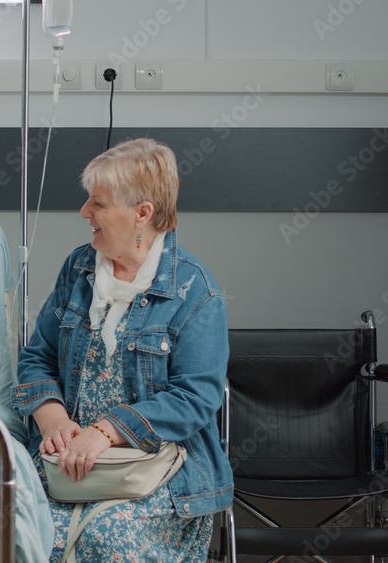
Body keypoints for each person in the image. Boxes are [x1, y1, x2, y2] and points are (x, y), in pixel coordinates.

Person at [13, 139, 232, 561]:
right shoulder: (78, 269)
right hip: (66, 467)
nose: (84, 212)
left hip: (155, 474)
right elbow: (37, 357)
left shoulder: (195, 291)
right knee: (22, 533)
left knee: (106, 538)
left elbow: (196, 397)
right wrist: (53, 418)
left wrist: (105, 431)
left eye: (98, 202)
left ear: (142, 213)